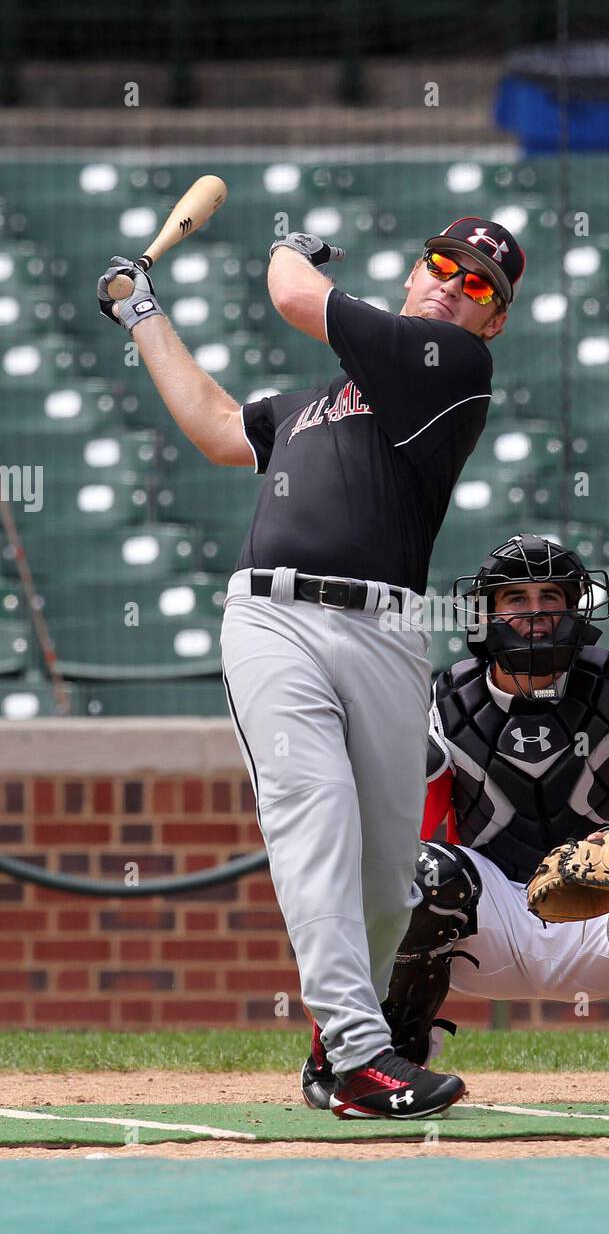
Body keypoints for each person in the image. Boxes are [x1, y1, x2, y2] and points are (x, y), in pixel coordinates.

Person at [97, 216, 526, 1120]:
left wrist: (288, 242)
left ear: (492, 321)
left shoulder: (451, 368)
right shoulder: (316, 400)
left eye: (479, 284)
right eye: (442, 265)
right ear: (415, 272)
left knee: (387, 880)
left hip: (387, 635)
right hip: (273, 620)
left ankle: (338, 1052)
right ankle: (365, 1055)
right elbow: (220, 429)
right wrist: (142, 313)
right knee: (315, 820)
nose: (453, 284)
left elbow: (293, 292)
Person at [302, 533, 609, 1108]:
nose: (534, 615)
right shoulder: (442, 702)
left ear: (574, 609)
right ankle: (391, 1057)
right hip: (492, 921)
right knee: (419, 876)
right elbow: (407, 833)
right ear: (487, 613)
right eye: (516, 599)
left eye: (550, 598)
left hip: (601, 911)